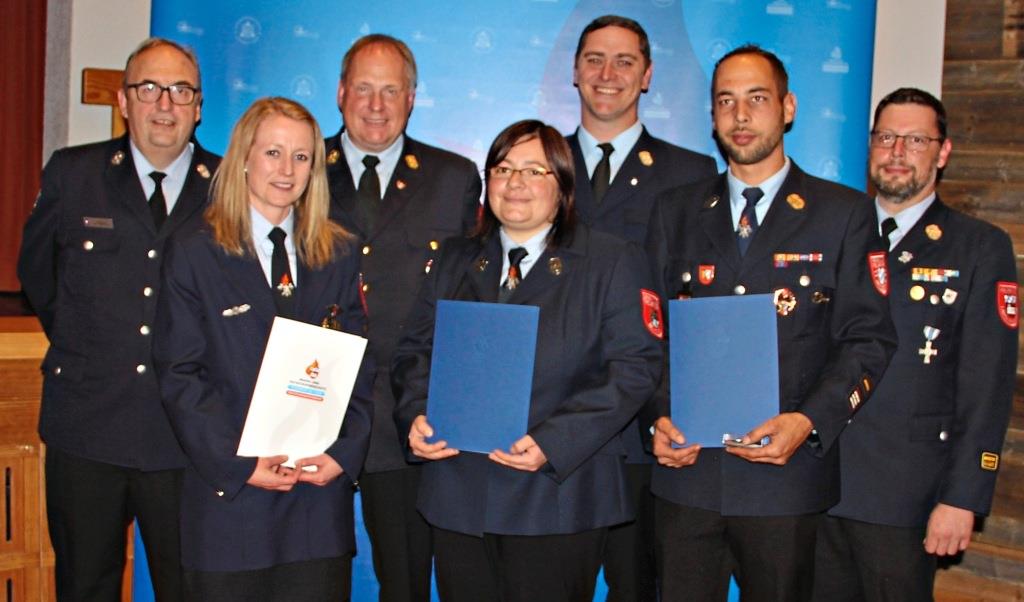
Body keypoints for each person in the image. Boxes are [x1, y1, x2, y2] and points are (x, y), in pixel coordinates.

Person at [645, 45, 897, 601]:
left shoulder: (844, 213)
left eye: (756, 99)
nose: (740, 115)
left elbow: (869, 339)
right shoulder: (675, 211)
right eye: (725, 101)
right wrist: (659, 417)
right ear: (711, 116)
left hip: (787, 481)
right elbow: (650, 336)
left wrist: (808, 422)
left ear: (787, 108)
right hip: (688, 475)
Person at [392, 119, 663, 602]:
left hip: (556, 493)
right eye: (502, 168)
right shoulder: (455, 258)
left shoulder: (612, 260)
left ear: (562, 186)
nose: (515, 183)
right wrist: (414, 413)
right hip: (460, 493)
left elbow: (635, 368)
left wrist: (553, 443)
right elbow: (415, 351)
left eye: (534, 171)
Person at [17, 37, 219, 601]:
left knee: (190, 587)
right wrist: (93, 347)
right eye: (148, 88)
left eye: (181, 91)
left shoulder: (229, 187)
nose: (165, 104)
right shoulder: (72, 174)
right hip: (88, 427)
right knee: (85, 585)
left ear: (198, 107)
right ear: (125, 101)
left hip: (187, 438)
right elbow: (40, 277)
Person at [152, 96, 373, 601]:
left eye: (301, 157)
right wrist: (241, 464)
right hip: (231, 505)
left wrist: (345, 451)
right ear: (245, 157)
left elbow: (360, 362)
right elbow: (180, 375)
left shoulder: (338, 251)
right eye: (273, 153)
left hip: (316, 504)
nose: (286, 170)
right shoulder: (194, 250)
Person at [812, 88, 1018, 601]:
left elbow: (985, 383)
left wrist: (963, 497)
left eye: (916, 139)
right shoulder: (831, 231)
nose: (897, 151)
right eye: (886, 137)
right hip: (816, 480)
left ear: (942, 152)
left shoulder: (978, 246)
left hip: (906, 496)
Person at [324, 34, 483, 602]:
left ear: (411, 99)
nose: (376, 104)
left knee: (407, 583)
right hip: (312, 410)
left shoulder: (453, 177)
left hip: (403, 418)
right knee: (307, 579)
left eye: (391, 90)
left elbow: (466, 303)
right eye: (364, 89)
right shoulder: (300, 168)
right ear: (341, 94)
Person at [567, 16, 717, 600]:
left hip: (650, 434)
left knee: (644, 588)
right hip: (552, 431)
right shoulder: (535, 169)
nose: (609, 74)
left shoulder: (693, 175)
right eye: (595, 59)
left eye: (625, 61)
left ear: (648, 75)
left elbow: (698, 306)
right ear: (575, 71)